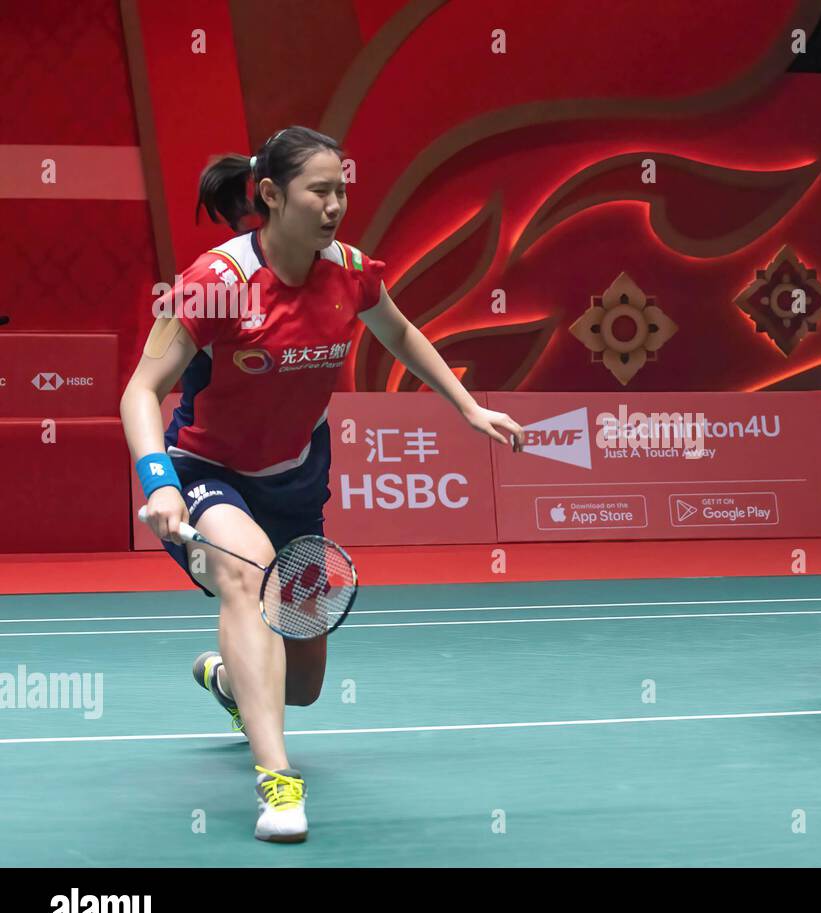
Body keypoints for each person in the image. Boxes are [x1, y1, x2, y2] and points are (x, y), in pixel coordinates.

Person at [119, 126, 524, 842]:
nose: (336, 204)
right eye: (321, 190)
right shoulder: (219, 283)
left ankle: (227, 681)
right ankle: (278, 785)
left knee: (300, 686)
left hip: (297, 483)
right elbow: (141, 389)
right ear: (272, 196)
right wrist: (159, 482)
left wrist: (467, 406)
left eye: (343, 189)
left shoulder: (350, 270)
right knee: (249, 577)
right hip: (206, 474)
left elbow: (397, 332)